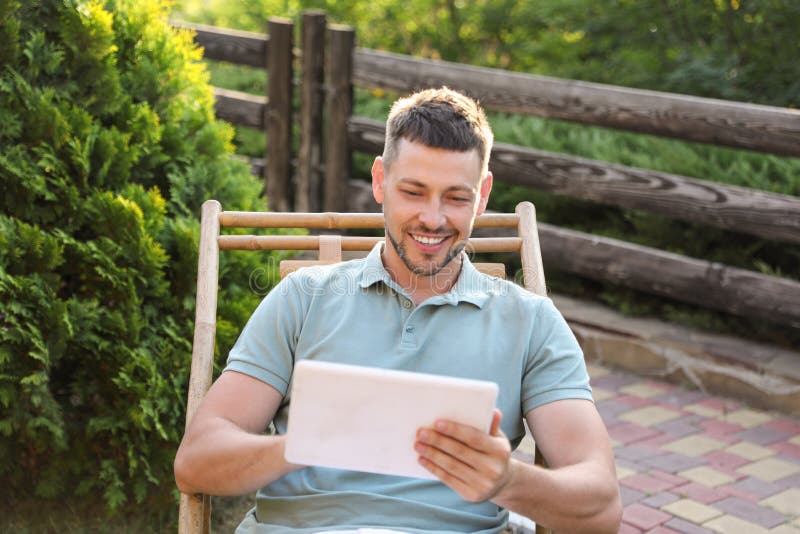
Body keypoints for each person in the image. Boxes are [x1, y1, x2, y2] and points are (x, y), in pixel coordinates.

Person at [174, 87, 622, 533]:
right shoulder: (302, 297)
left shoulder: (531, 322)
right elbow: (196, 463)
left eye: (456, 197)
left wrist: (506, 480)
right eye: (413, 191)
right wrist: (306, 444)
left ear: (482, 195)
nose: (433, 218)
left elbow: (601, 507)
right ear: (380, 181)